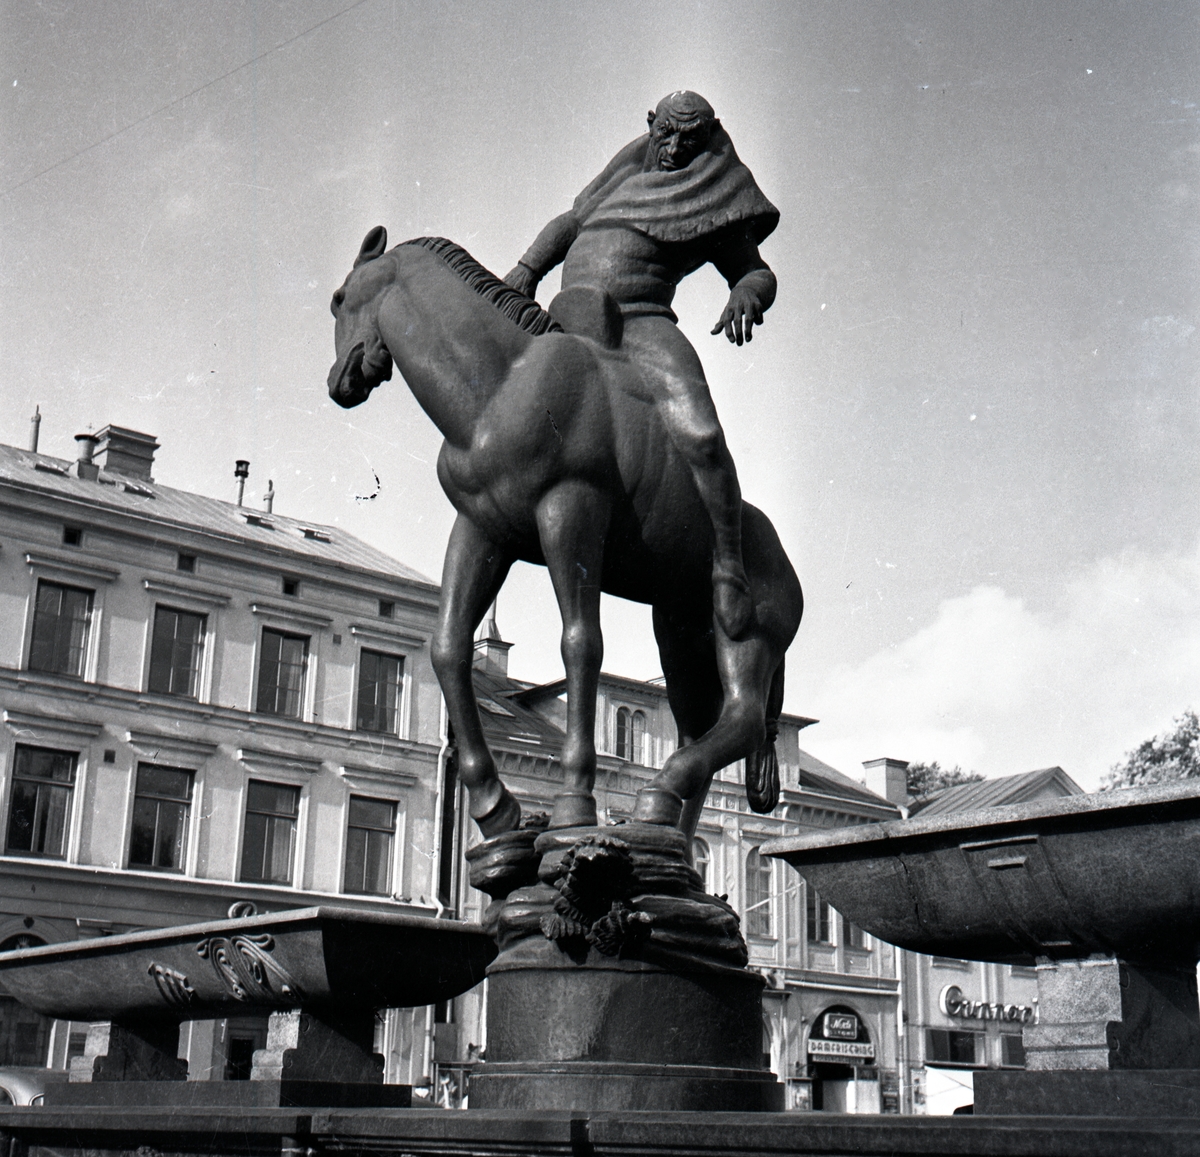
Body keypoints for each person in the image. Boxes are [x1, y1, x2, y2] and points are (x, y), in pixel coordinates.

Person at [504, 91, 779, 639]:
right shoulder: (628, 165)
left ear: (710, 135)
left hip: (642, 322)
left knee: (699, 431)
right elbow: (571, 220)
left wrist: (748, 293)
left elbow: (754, 270)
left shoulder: (715, 189)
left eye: (690, 139)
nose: (675, 149)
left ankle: (727, 564)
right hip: (573, 316)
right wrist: (527, 268)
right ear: (650, 126)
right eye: (666, 135)